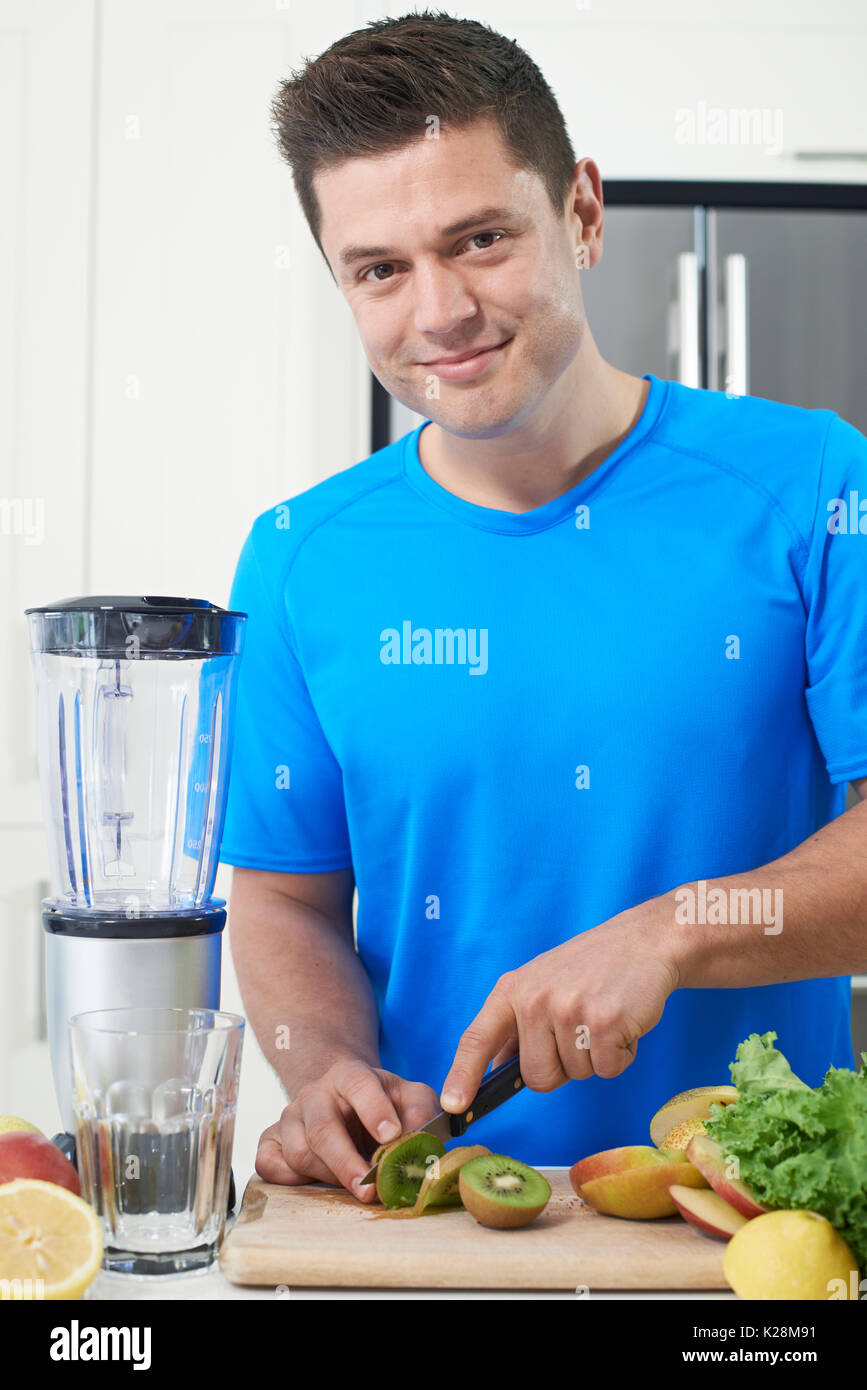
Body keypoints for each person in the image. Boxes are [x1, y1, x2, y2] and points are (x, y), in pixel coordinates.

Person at [218, 10, 867, 1199]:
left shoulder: (821, 488)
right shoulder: (297, 560)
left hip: (750, 1233)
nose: (440, 313)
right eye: (380, 270)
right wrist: (327, 1072)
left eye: (478, 239)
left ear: (580, 211)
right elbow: (282, 897)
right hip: (432, 1224)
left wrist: (670, 932)